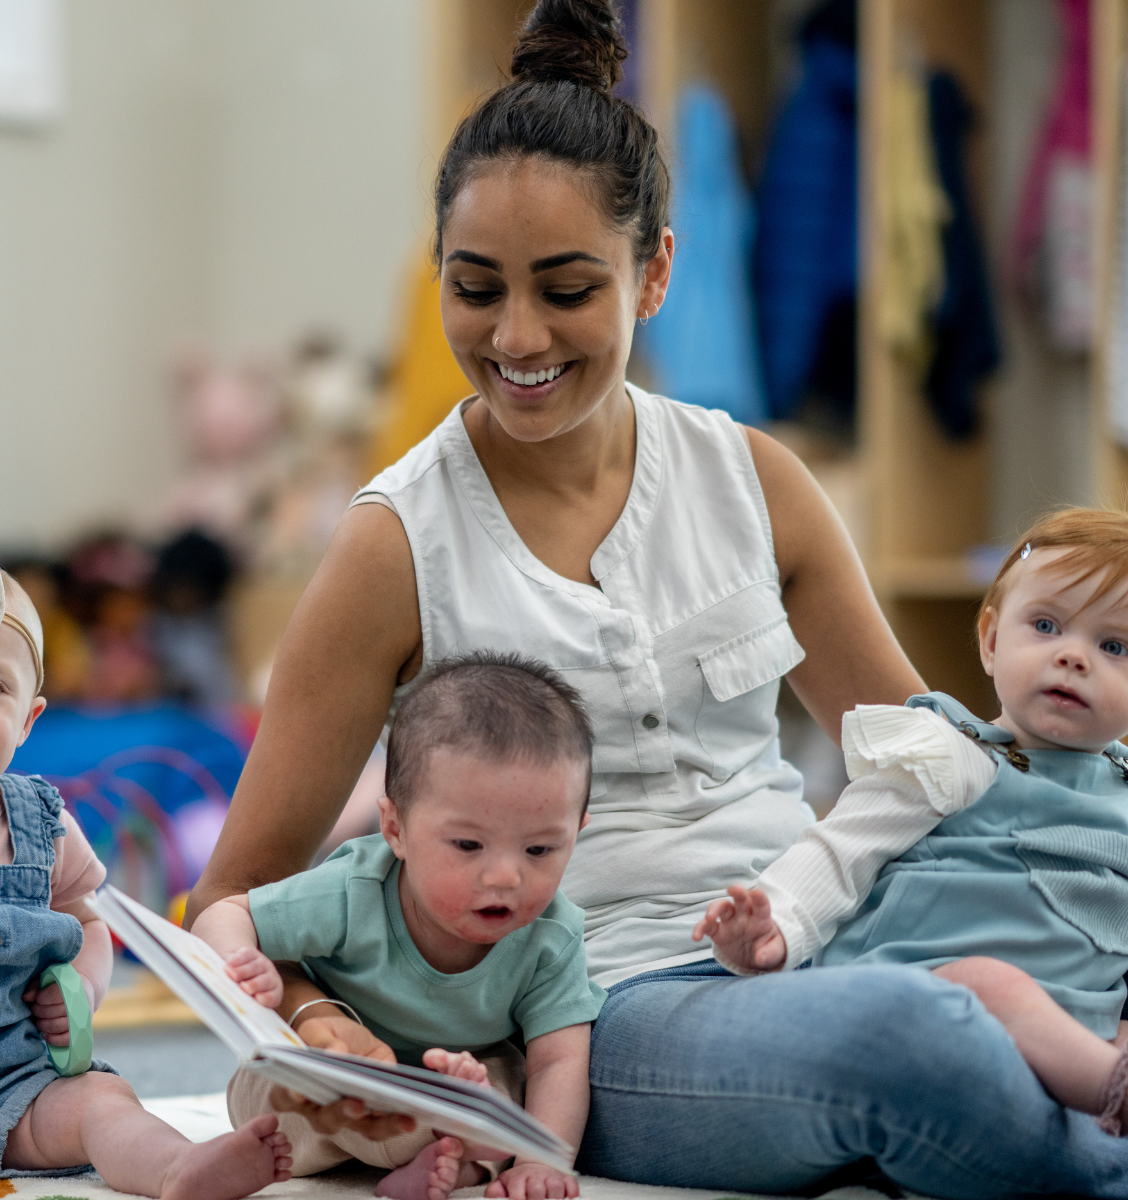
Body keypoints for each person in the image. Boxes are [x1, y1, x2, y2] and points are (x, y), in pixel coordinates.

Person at [186, 1, 1128, 1194]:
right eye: (476, 289)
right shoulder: (396, 541)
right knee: (920, 1039)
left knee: (993, 1005)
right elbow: (233, 894)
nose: (516, 335)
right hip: (614, 1010)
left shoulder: (757, 481)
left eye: (568, 290)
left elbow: (932, 769)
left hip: (826, 935)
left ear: (657, 271)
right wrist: (331, 1033)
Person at [699, 508, 1128, 1135]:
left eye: (1113, 645)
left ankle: (1097, 1087)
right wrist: (778, 928)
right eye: (1045, 625)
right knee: (989, 983)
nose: (1072, 657)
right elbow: (840, 850)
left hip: (1072, 1032)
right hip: (919, 1007)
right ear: (989, 640)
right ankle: (1104, 1092)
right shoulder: (953, 753)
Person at [0, 552, 293, 1197]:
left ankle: (178, 1169)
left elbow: (90, 922)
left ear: (28, 721)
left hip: (14, 1094)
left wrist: (84, 993)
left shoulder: (42, 822)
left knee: (102, 1101)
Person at [193, 653, 603, 1200]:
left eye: (539, 849)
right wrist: (241, 963)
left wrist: (541, 1160)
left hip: (454, 1077)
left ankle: (453, 1163)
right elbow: (225, 911)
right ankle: (432, 1147)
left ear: (577, 831)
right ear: (395, 829)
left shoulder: (551, 935)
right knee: (269, 1089)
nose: (505, 876)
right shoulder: (354, 889)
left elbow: (561, 1057)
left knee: (512, 1085)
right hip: (334, 1072)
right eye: (467, 845)